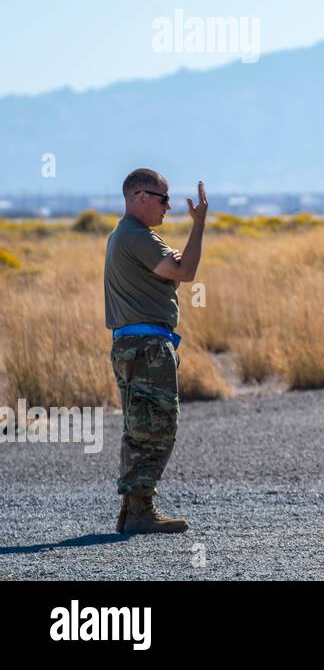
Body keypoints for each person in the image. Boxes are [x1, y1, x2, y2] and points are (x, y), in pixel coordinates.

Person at [104, 169, 207, 534]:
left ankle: (134, 508)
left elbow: (172, 268)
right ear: (140, 197)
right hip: (147, 347)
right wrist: (199, 225)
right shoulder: (138, 237)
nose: (168, 206)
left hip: (132, 345)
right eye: (162, 199)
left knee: (140, 425)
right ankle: (139, 509)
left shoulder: (125, 236)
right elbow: (186, 270)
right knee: (158, 425)